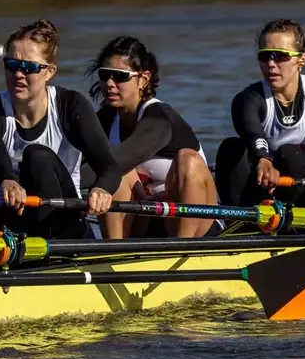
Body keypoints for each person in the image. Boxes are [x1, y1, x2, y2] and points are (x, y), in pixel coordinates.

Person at [0, 19, 120, 240]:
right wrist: (8, 179)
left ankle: (51, 252)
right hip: (7, 219)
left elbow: (109, 168)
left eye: (29, 68)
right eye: (12, 65)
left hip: (62, 220)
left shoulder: (71, 106)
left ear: (49, 72)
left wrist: (101, 189)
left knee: (37, 156)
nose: (18, 75)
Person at [216, 18, 305, 213]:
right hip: (269, 194)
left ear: (301, 60)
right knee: (231, 148)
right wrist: (263, 159)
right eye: (265, 56)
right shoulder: (249, 99)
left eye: (280, 56)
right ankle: (238, 224)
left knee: (289, 154)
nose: (271, 64)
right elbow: (252, 133)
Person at [87, 35, 218, 239]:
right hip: (145, 220)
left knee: (187, 159)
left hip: (193, 223)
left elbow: (123, 157)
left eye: (119, 76)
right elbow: (73, 162)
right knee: (116, 173)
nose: (109, 84)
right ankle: (114, 251)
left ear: (144, 79)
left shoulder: (160, 118)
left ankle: (185, 248)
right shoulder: (105, 120)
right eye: (104, 75)